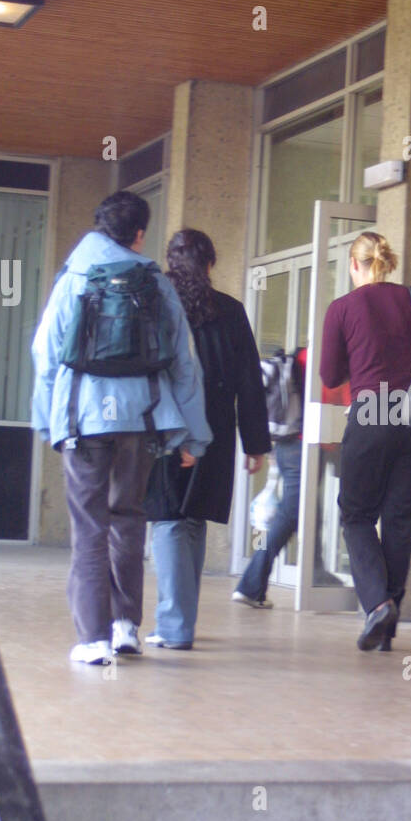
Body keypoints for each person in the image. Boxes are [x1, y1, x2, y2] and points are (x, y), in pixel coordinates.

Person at [31, 191, 211, 666]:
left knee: (89, 524)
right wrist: (194, 435)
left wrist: (44, 418)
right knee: (128, 517)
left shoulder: (74, 276)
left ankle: (92, 639)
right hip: (141, 417)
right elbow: (183, 362)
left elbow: (45, 353)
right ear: (138, 234)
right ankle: (125, 626)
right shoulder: (153, 281)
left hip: (83, 417)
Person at [320, 231, 411, 651]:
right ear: (387, 262)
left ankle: (378, 605)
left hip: (371, 412)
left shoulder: (342, 308)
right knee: (399, 520)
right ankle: (386, 628)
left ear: (354, 265)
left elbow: (329, 375)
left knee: (356, 514)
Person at [145, 229, 269, 648]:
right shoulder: (231, 312)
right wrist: (255, 443)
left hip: (166, 427)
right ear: (211, 264)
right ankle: (181, 619)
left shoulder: (158, 306)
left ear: (170, 263)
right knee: (192, 519)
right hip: (215, 431)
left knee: (168, 520)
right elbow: (251, 382)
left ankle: (175, 626)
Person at [232, 348, 348, 607]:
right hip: (305, 446)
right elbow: (340, 403)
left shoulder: (304, 356)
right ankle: (251, 585)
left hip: (287, 444)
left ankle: (315, 571)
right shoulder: (330, 360)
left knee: (309, 512)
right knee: (290, 514)